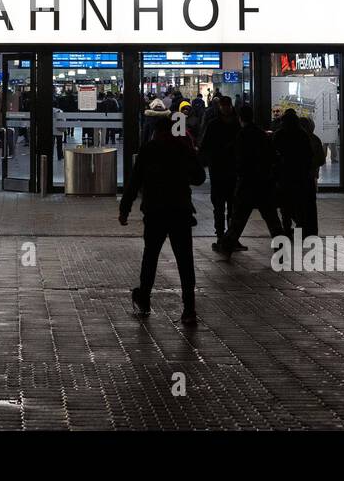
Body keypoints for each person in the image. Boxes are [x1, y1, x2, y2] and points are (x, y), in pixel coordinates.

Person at [119, 109, 206, 326]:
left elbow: (134, 182)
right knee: (185, 260)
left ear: (155, 132)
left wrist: (125, 209)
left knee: (150, 257)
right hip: (180, 211)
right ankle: (189, 308)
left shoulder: (149, 149)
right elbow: (198, 178)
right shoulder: (182, 148)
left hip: (155, 211)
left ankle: (145, 298)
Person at [218, 102, 283, 252]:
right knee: (271, 217)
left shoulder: (242, 135)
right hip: (264, 182)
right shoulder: (261, 134)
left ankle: (227, 244)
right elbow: (273, 155)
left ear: (240, 118)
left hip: (247, 182)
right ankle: (280, 245)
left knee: (239, 218)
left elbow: (236, 157)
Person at [198, 96, 241, 249]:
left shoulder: (215, 124)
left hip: (223, 170)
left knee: (226, 206)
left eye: (226, 105)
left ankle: (227, 236)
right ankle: (224, 236)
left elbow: (204, 146)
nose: (225, 108)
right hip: (225, 170)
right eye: (223, 105)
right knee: (225, 205)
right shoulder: (235, 124)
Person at [273, 110, 318, 237]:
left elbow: (273, 154)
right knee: (299, 206)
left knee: (285, 207)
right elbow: (308, 155)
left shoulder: (279, 134)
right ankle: (299, 231)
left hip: (283, 176)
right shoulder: (302, 135)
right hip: (299, 175)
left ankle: (286, 230)